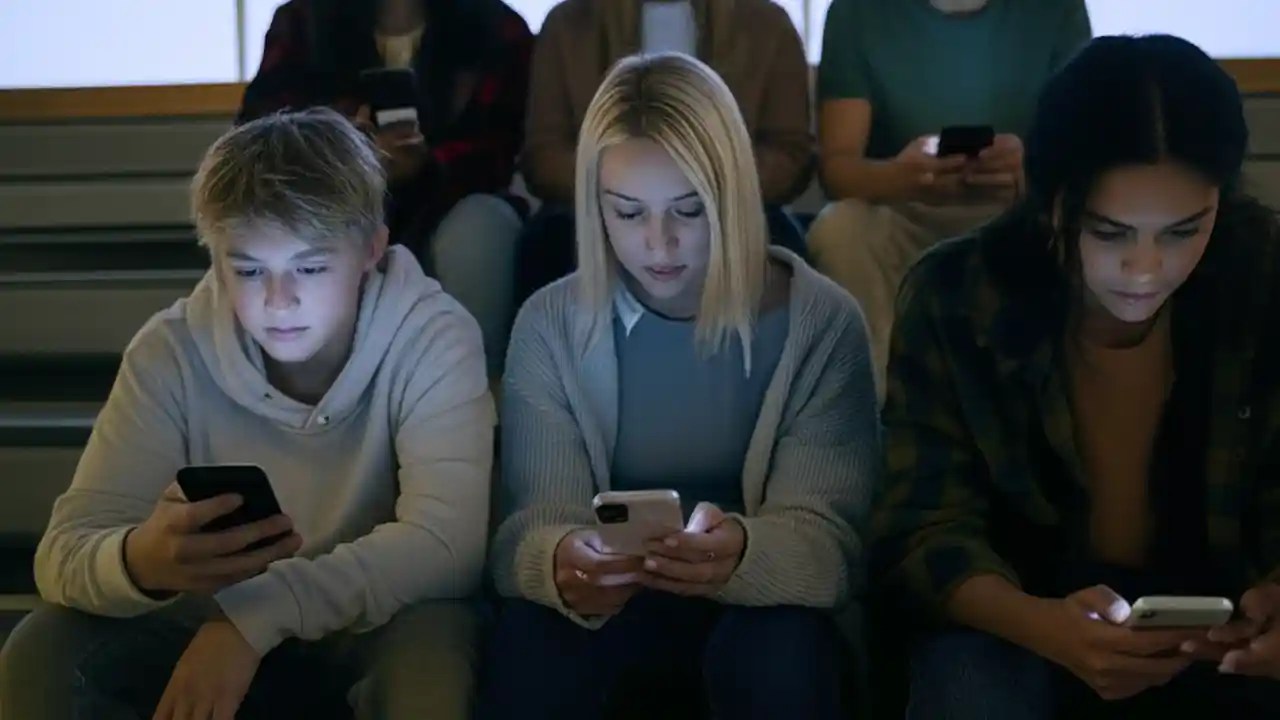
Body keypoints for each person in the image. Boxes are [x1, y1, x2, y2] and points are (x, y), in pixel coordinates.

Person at [0, 109, 494, 720]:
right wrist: (140, 562)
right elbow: (64, 553)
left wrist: (257, 615)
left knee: (434, 645)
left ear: (372, 247)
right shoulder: (171, 352)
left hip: (367, 625)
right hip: (198, 624)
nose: (277, 301)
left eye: (310, 268)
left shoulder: (432, 336)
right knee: (43, 648)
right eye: (248, 269)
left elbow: (447, 546)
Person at [870, 34, 1280, 719]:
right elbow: (920, 527)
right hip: (1021, 621)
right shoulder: (957, 297)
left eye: (1183, 231)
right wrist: (1041, 625)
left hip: (1213, 626)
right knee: (971, 687)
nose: (1146, 268)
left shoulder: (1263, 283)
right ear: (1050, 203)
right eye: (1111, 232)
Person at [480, 52, 878, 720]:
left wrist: (743, 554)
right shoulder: (550, 325)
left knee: (779, 649)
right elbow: (531, 523)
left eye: (689, 211)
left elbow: (833, 544)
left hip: (764, 612)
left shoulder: (821, 323)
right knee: (530, 644)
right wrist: (562, 565)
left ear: (733, 196)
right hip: (615, 610)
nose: (659, 245)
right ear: (594, 207)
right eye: (628, 214)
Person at [808, 0, 1091, 401]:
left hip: (1020, 211)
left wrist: (1026, 170)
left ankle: (1047, 405)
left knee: (1084, 229)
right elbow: (837, 170)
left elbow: (1082, 160)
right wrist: (903, 177)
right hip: (901, 211)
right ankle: (873, 411)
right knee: (837, 231)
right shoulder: (857, 12)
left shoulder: (1056, 10)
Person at [238, 0, 533, 378]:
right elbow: (260, 137)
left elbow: (499, 146)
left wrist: (426, 165)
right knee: (284, 232)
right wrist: (346, 151)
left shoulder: (498, 29)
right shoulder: (302, 23)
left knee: (480, 232)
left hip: (454, 201)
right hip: (332, 201)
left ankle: (471, 394)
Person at [514, 0, 815, 307]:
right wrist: (622, 189)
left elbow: (791, 154)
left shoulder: (766, 23)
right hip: (594, 210)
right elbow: (543, 156)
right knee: (546, 242)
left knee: (781, 244)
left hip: (734, 208)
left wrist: (706, 185)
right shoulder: (569, 23)